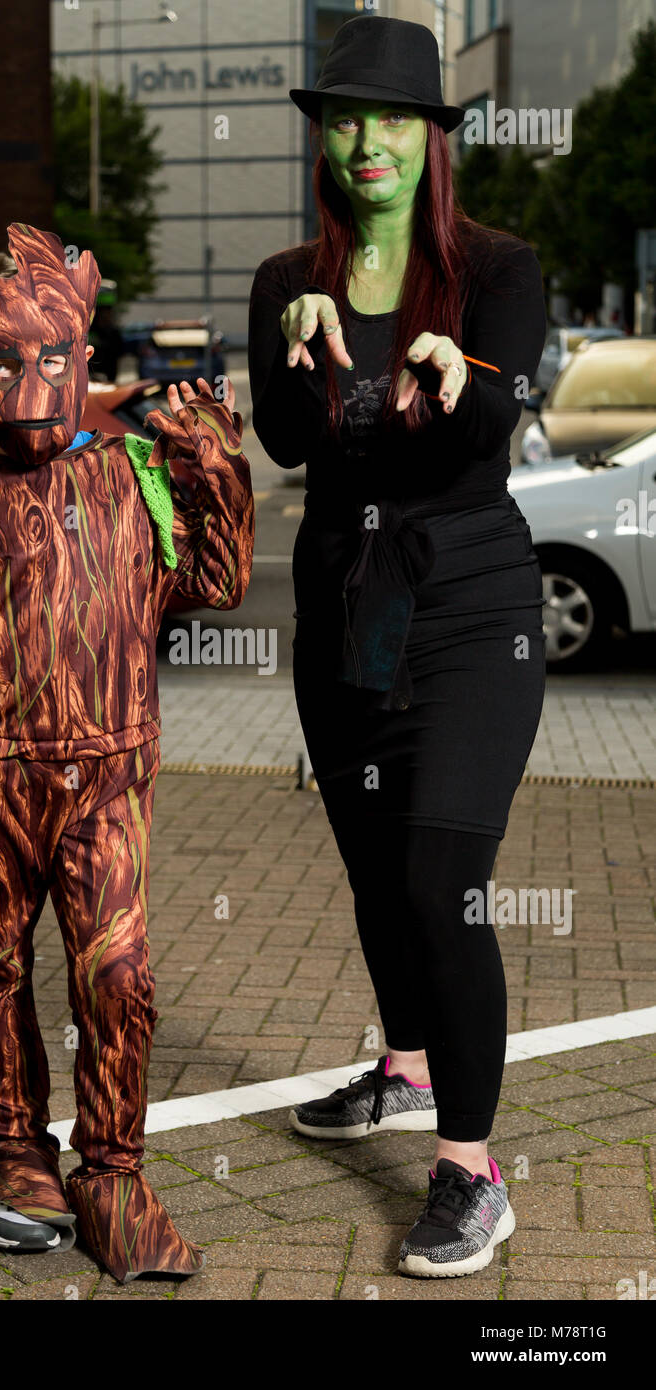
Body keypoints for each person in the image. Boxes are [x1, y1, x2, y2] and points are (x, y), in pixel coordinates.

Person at [0, 223, 254, 1284]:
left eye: (49, 356)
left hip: (109, 771)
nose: (27, 381)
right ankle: (16, 1152)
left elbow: (215, 584)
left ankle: (112, 1169)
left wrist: (216, 467)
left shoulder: (133, 474)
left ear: (83, 356)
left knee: (115, 971)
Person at [248, 15, 547, 1279]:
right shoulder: (283, 279)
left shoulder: (495, 268)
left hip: (472, 605)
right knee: (376, 877)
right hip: (345, 604)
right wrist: (291, 349)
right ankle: (407, 1067)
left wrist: (455, 370)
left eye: (388, 116)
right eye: (342, 117)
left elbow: (494, 435)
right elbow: (280, 442)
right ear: (327, 138)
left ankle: (472, 1172)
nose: (363, 138)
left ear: (431, 135)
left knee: (439, 882)